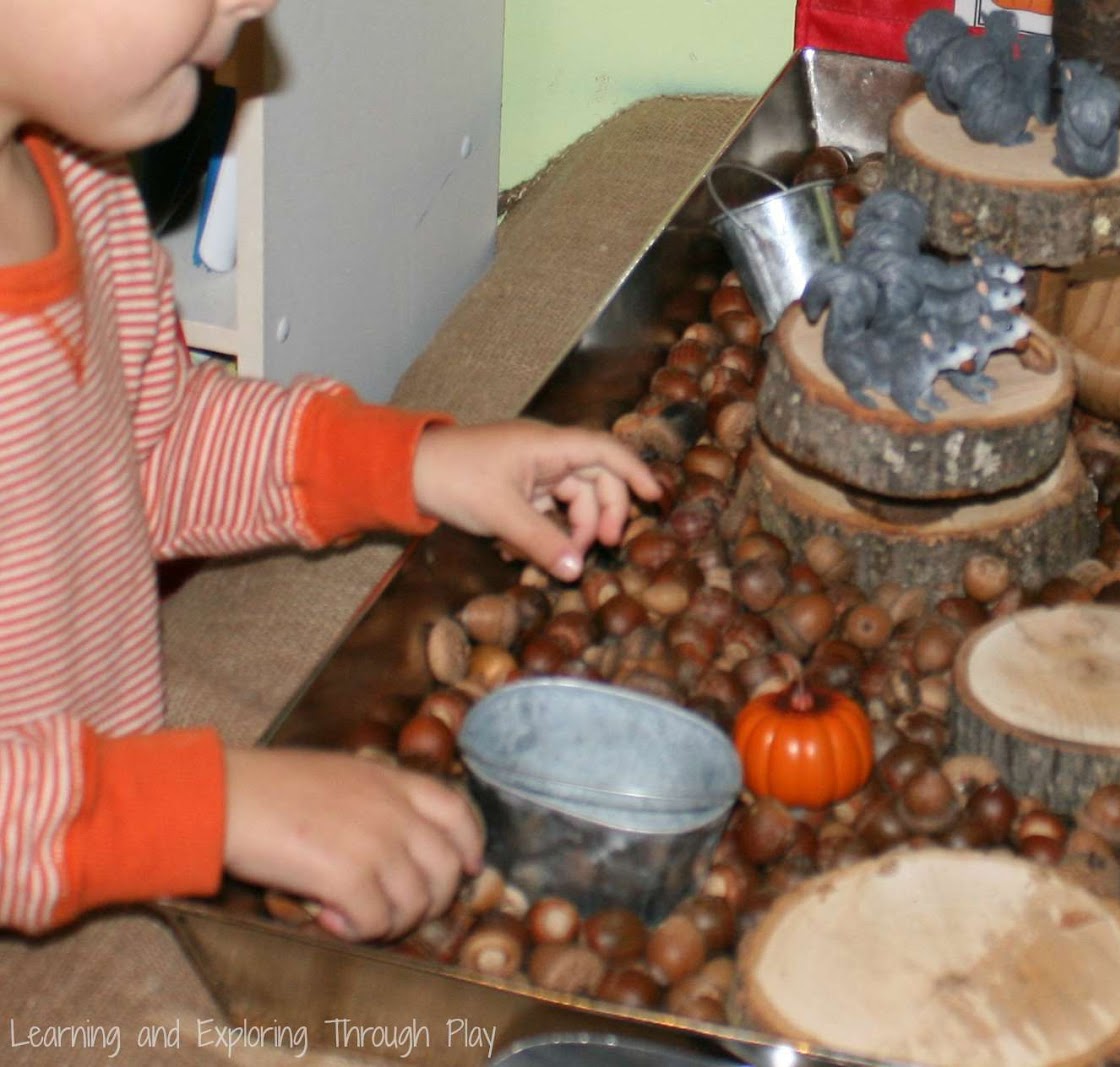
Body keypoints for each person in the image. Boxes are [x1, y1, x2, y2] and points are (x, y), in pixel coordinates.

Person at [0, 0, 659, 942]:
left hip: (93, 838)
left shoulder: (78, 172)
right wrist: (213, 805)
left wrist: (417, 463)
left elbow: (150, 446)